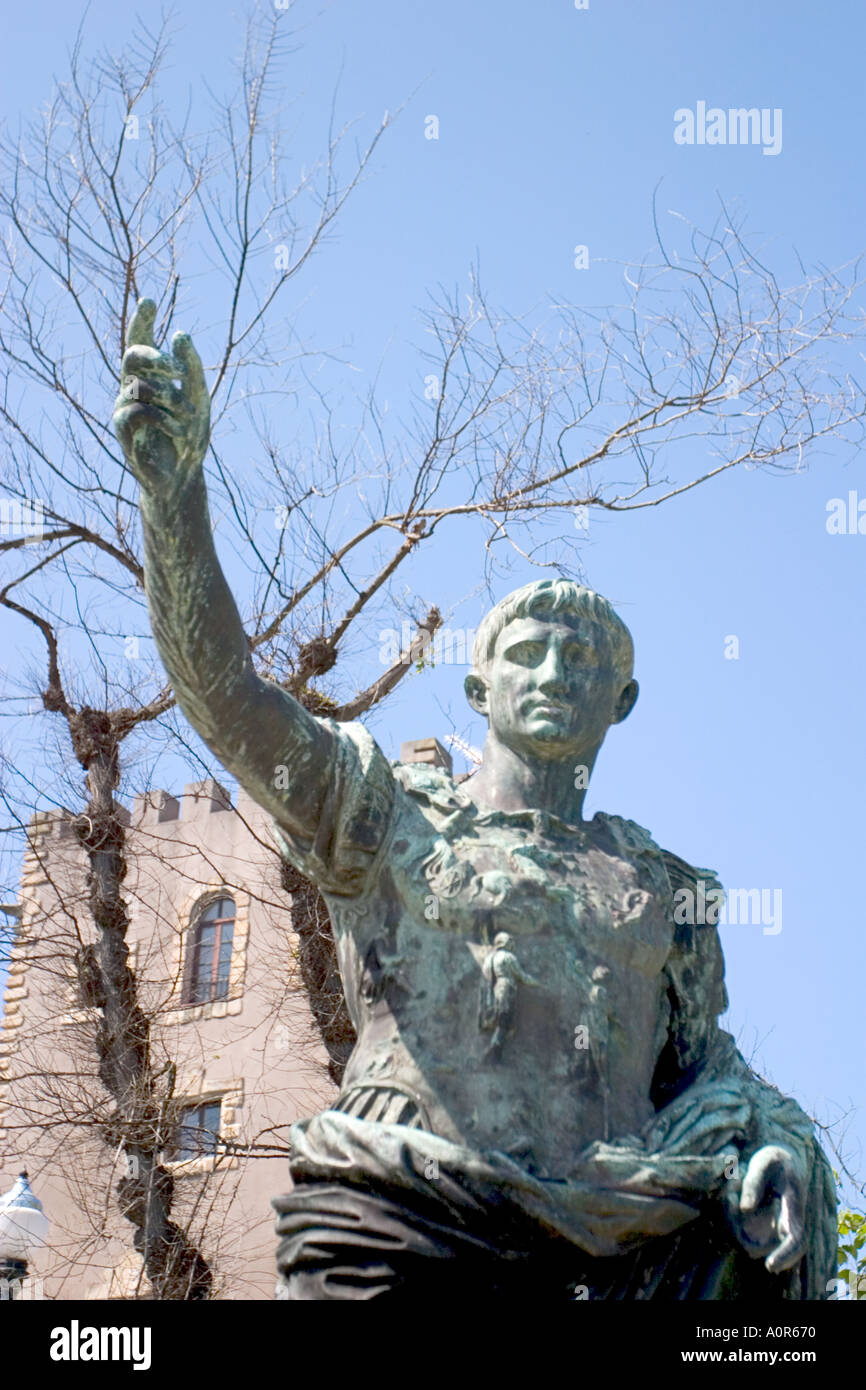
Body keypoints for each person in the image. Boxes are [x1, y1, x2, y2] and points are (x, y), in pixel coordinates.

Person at [113, 300, 836, 1300]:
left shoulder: (668, 894)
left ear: (619, 700)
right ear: (476, 688)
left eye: (581, 659)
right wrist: (173, 497)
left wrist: (772, 1142)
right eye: (526, 653)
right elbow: (227, 696)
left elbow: (707, 1077)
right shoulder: (383, 816)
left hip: (601, 1249)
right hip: (392, 1228)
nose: (552, 671)